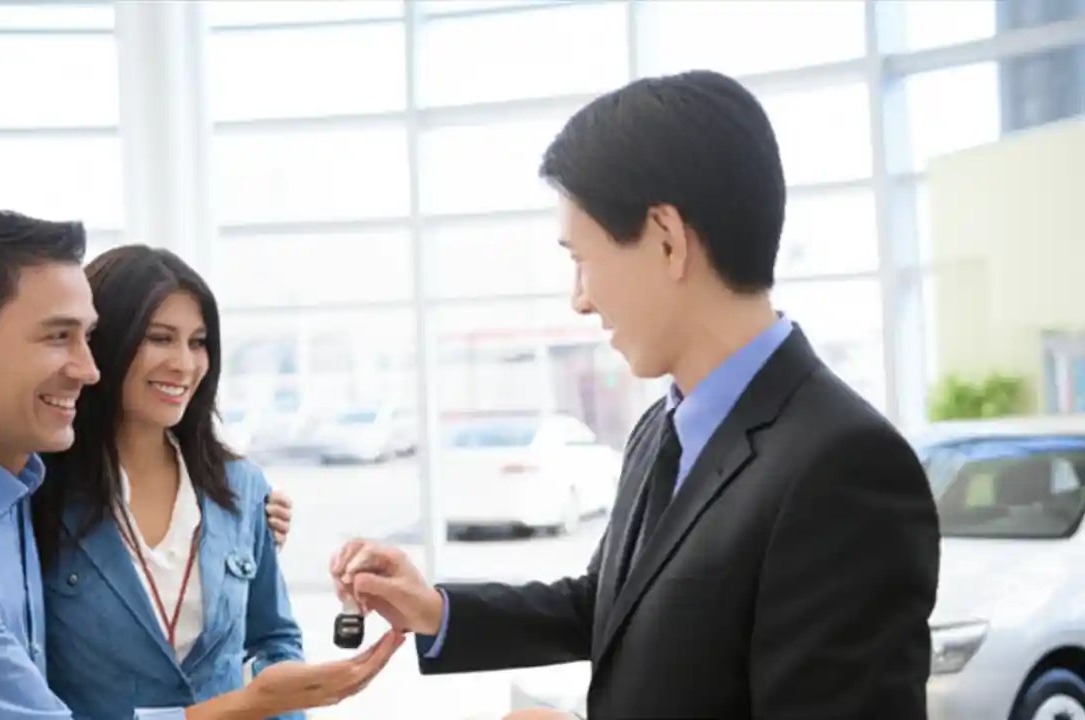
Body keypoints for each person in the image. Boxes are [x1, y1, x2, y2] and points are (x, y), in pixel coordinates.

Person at [332, 70, 940, 719]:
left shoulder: (844, 465)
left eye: (581, 258)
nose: (581, 298)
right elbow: (608, 603)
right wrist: (437, 610)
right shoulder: (664, 427)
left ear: (667, 241)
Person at [0, 209, 403, 720]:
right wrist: (246, 705)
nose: (87, 367)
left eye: (86, 336)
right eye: (58, 336)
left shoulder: (9, 482)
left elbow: (270, 632)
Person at [32, 245, 305, 718]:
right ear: (106, 342)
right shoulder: (39, 491)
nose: (184, 363)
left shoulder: (241, 488)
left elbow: (274, 641)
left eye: (198, 342)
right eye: (159, 338)